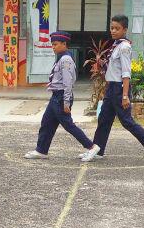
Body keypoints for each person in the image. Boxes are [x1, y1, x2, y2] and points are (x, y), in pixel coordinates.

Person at [83, 15, 144, 163]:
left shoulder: (125, 47)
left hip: (120, 88)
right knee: (104, 119)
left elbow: (126, 73)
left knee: (126, 121)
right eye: (112, 28)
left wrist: (125, 95)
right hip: (111, 87)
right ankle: (98, 150)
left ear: (125, 30)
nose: (113, 31)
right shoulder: (116, 45)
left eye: (117, 28)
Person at [25, 31, 98, 160]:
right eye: (52, 44)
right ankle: (41, 150)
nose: (53, 47)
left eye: (55, 44)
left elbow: (68, 83)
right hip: (56, 96)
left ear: (64, 44)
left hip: (62, 97)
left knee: (68, 125)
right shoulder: (61, 57)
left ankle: (92, 147)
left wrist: (66, 102)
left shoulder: (66, 60)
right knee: (47, 123)